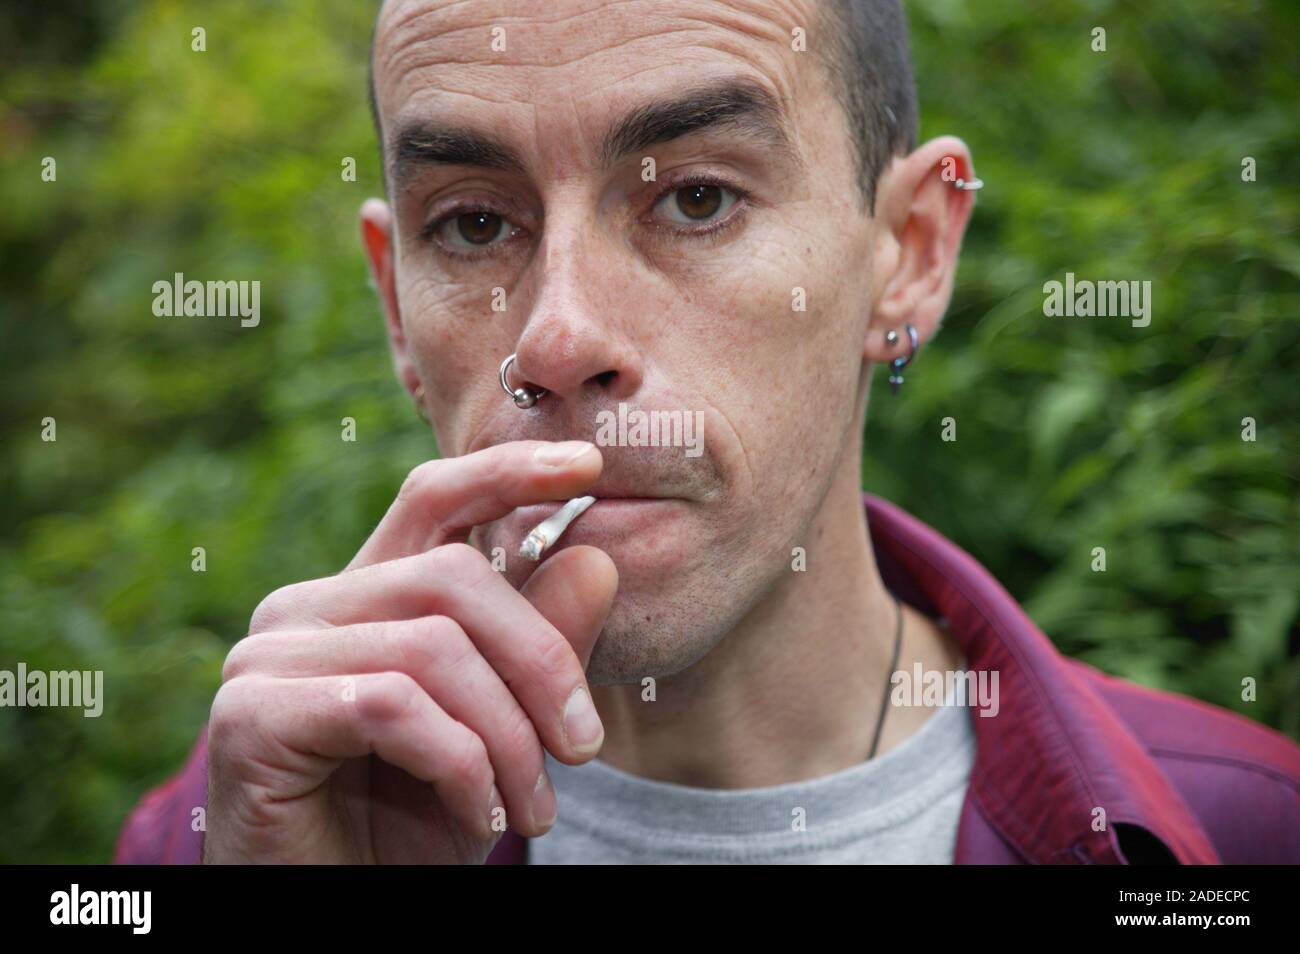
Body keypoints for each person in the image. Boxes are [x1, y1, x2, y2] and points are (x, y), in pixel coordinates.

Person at [115, 0, 1300, 865]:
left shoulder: (1240, 832)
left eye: (696, 197)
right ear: (394, 306)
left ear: (910, 254)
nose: (560, 336)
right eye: (474, 224)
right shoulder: (218, 840)